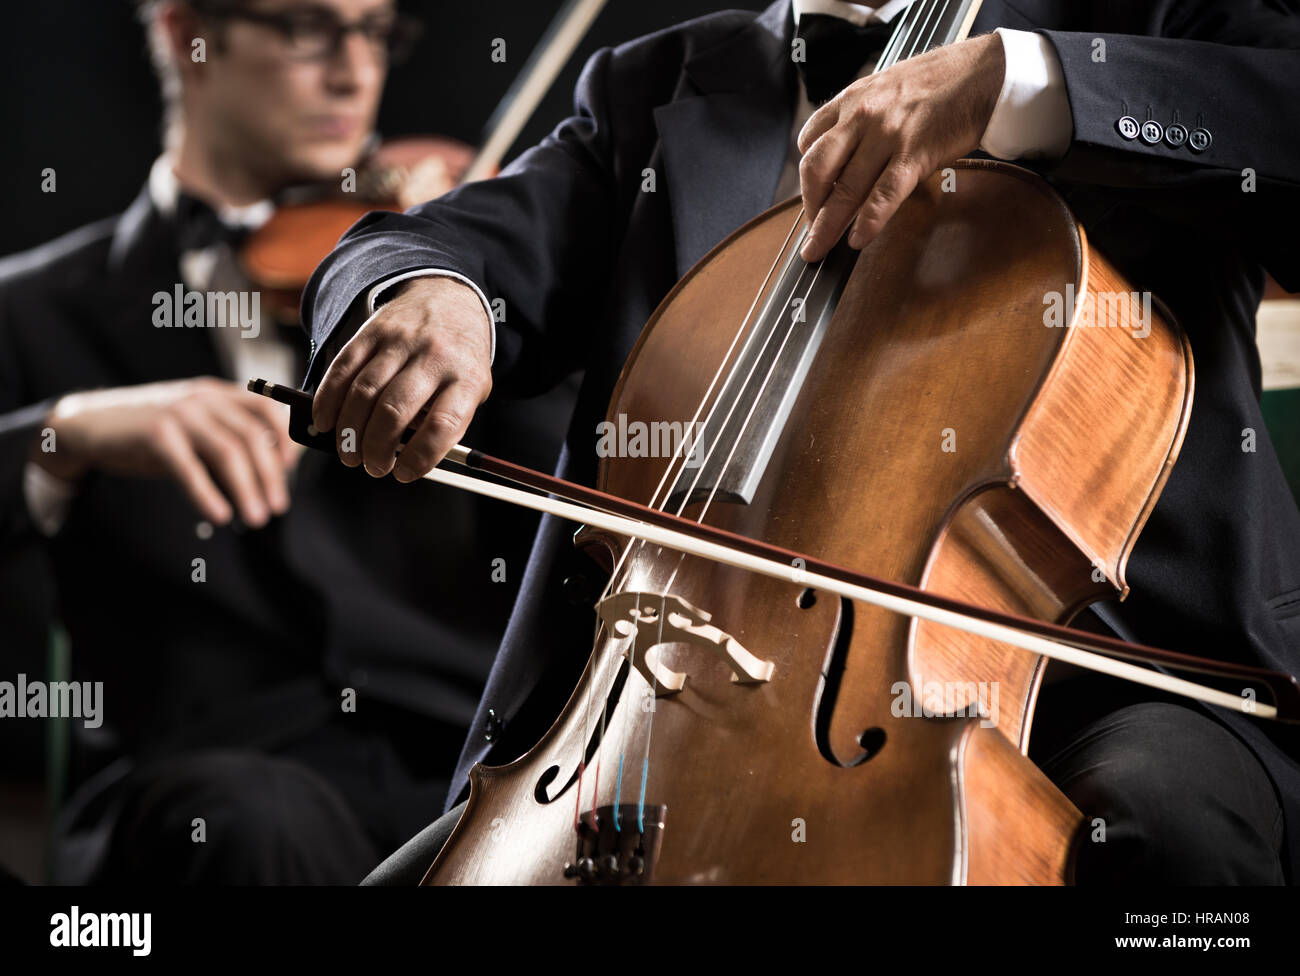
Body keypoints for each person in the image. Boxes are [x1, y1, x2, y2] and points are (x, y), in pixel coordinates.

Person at [300, 0, 1300, 884]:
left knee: (1168, 842)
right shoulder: (652, 87)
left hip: (1118, 670)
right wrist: (430, 294)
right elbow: (434, 240)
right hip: (656, 707)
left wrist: (1027, 80)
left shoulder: (1151, 15)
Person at [0, 0, 568, 883]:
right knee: (251, 822)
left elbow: (582, 490)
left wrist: (472, 288)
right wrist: (62, 436)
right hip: (213, 805)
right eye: (308, 25)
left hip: (464, 778)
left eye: (376, 32)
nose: (354, 71)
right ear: (185, 36)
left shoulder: (443, 275)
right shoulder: (33, 310)